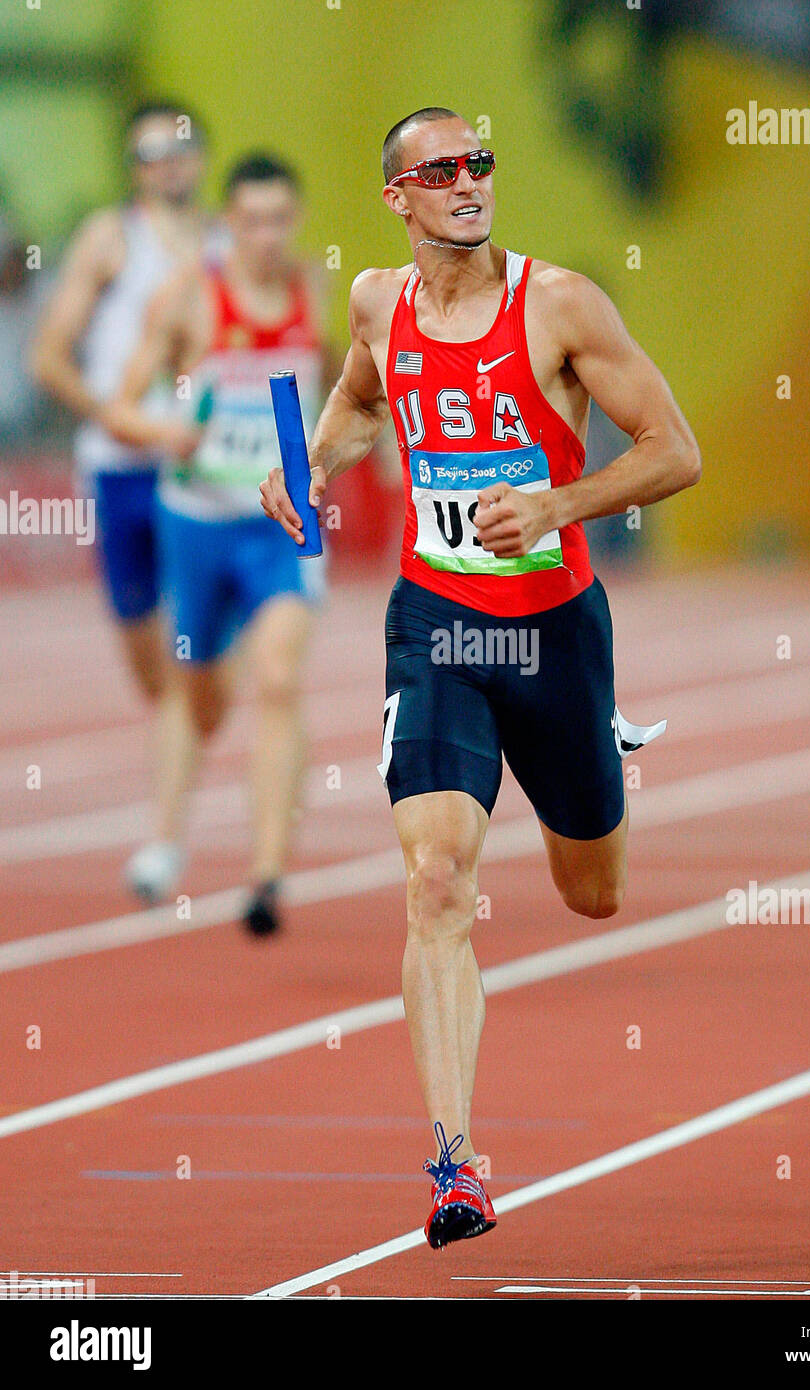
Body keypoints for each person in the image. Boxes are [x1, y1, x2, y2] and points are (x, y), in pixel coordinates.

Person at [259, 108, 700, 1246]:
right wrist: (305, 468)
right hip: (438, 627)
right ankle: (456, 1162)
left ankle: (593, 746)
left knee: (589, 891)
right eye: (442, 171)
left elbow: (674, 449)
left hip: (556, 635)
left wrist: (557, 502)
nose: (469, 184)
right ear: (397, 197)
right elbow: (362, 402)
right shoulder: (375, 301)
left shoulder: (558, 304)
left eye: (481, 164)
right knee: (437, 881)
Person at [104, 154, 331, 937]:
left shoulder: (315, 290)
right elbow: (120, 408)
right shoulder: (189, 299)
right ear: (227, 223)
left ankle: (266, 876)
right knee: (194, 692)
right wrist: (173, 430)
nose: (267, 235)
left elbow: (335, 379)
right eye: (252, 219)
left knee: (276, 678)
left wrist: (359, 454)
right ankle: (166, 837)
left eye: (280, 218)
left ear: (295, 220)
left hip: (283, 521)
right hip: (197, 520)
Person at [30, 101, 212, 902]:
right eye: (150, 153)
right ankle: (196, 707)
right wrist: (115, 417)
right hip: (119, 467)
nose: (168, 164)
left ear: (200, 159)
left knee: (181, 666)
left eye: (181, 149)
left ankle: (163, 840)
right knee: (151, 665)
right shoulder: (112, 238)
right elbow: (47, 356)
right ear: (133, 167)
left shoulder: (226, 243)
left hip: (198, 472)